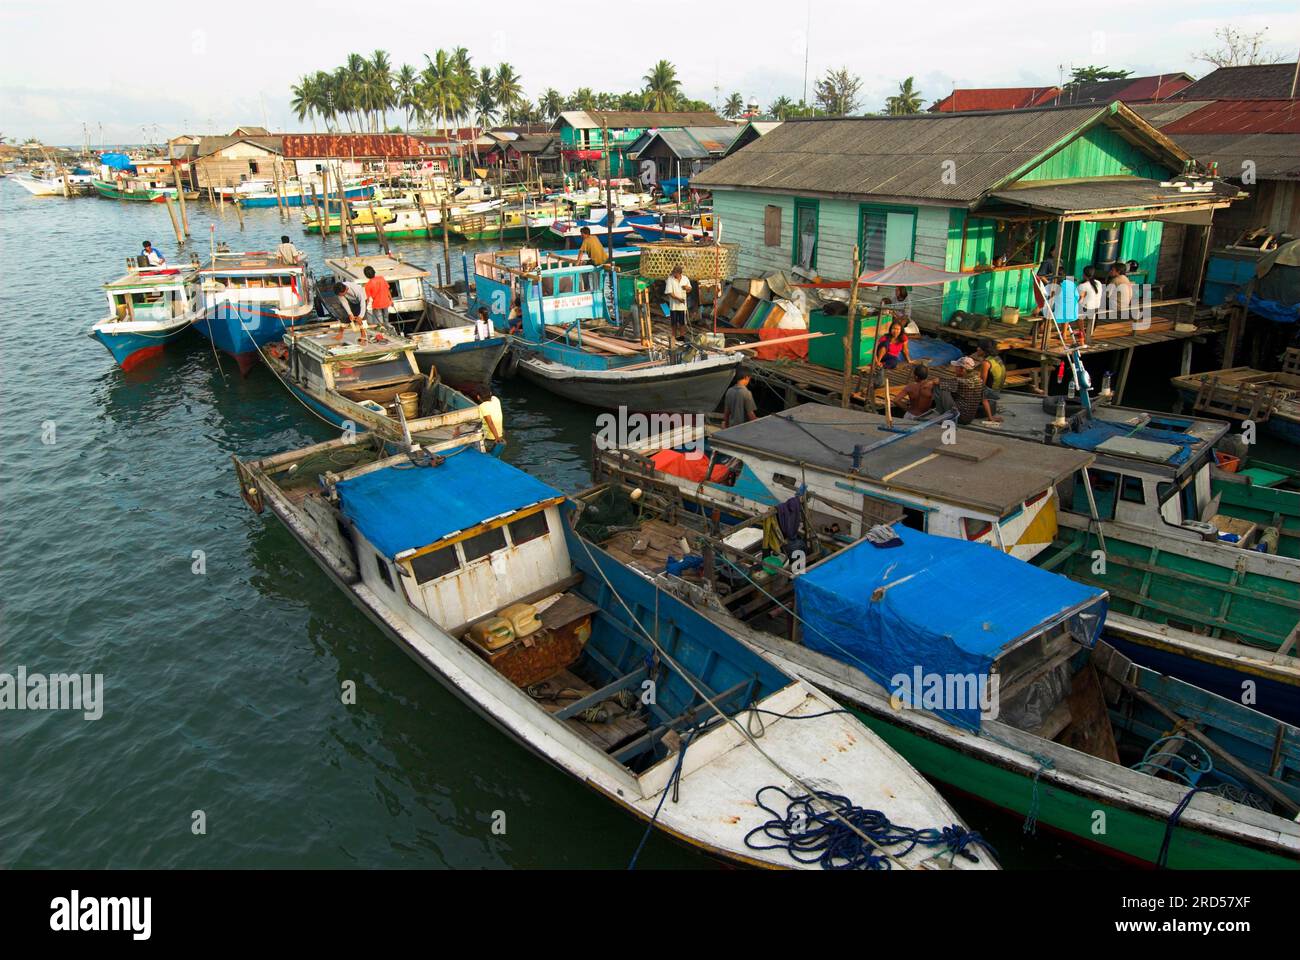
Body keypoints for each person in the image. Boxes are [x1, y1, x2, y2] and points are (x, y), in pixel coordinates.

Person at [362, 264, 393, 329]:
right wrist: (391, 300)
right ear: (374, 272)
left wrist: (365, 308)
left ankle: (382, 329)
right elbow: (387, 290)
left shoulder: (367, 285)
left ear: (366, 275)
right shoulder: (382, 278)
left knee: (379, 320)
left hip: (377, 304)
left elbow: (368, 299)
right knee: (386, 318)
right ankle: (387, 328)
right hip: (386, 302)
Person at [665, 265, 692, 340]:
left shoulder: (685, 278)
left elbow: (690, 289)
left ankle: (682, 336)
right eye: (673, 273)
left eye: (675, 273)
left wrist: (687, 288)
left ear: (679, 273)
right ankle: (673, 336)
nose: (674, 274)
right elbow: (669, 293)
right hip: (674, 306)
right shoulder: (670, 279)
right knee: (673, 322)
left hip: (682, 305)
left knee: (682, 321)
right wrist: (678, 299)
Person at [1077, 265, 1102, 343]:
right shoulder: (1098, 283)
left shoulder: (1082, 286)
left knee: (1078, 314)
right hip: (1096, 307)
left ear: (1084, 274)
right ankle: (1085, 332)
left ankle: (1082, 333)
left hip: (1088, 309)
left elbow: (1079, 299)